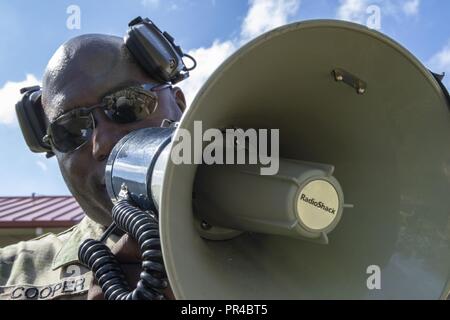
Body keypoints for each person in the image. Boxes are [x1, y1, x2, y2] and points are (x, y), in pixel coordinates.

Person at [0, 33, 187, 300]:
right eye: (71, 130)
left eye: (127, 104)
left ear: (179, 106)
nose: (103, 144)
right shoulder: (10, 274)